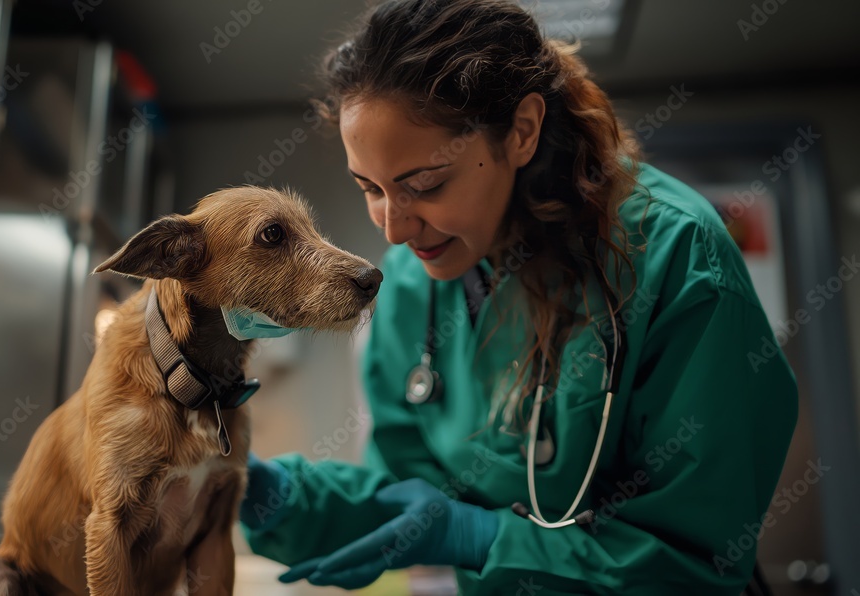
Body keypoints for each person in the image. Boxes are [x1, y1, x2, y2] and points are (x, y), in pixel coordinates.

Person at [236, 1, 799, 594]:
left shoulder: (679, 256)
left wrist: (482, 538)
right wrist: (261, 492)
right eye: (369, 188)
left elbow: (695, 563)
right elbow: (406, 501)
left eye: (425, 185)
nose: (393, 229)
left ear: (523, 130)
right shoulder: (409, 285)